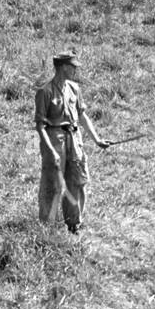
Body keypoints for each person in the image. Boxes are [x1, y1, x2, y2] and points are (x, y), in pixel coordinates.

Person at [34, 51, 113, 233]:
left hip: (74, 139)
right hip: (55, 141)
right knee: (52, 184)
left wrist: (97, 139)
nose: (75, 70)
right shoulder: (45, 91)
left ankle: (73, 224)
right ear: (62, 67)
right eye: (72, 66)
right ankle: (47, 228)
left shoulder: (75, 89)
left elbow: (82, 116)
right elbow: (40, 127)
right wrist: (51, 151)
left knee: (77, 182)